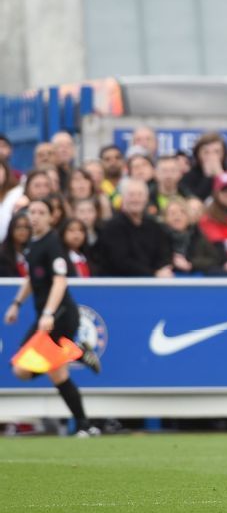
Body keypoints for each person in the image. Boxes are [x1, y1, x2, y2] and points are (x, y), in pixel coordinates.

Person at [3, 198, 102, 436]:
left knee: (22, 368)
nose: (35, 216)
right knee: (55, 373)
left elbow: (60, 280)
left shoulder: (52, 244)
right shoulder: (32, 245)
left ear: (51, 217)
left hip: (60, 316)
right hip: (47, 317)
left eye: (41, 212)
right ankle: (84, 426)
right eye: (32, 211)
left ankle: (76, 351)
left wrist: (48, 313)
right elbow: (31, 279)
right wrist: (16, 303)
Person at [98, 179, 174, 277]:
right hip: (119, 286)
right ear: (123, 198)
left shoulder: (154, 227)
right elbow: (120, 261)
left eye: (140, 195)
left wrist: (162, 269)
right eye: (131, 195)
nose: (135, 199)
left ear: (146, 199)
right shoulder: (111, 227)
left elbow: (164, 254)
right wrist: (153, 274)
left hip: (152, 285)